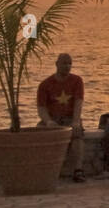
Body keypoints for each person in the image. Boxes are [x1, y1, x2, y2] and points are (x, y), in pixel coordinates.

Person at [36, 52, 86, 182]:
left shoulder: (77, 81)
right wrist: (48, 121)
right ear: (57, 64)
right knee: (39, 134)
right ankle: (45, 170)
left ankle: (78, 170)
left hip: (70, 118)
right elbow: (41, 108)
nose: (67, 66)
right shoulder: (45, 84)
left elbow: (78, 102)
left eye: (70, 63)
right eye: (64, 63)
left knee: (77, 135)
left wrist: (75, 121)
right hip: (53, 118)